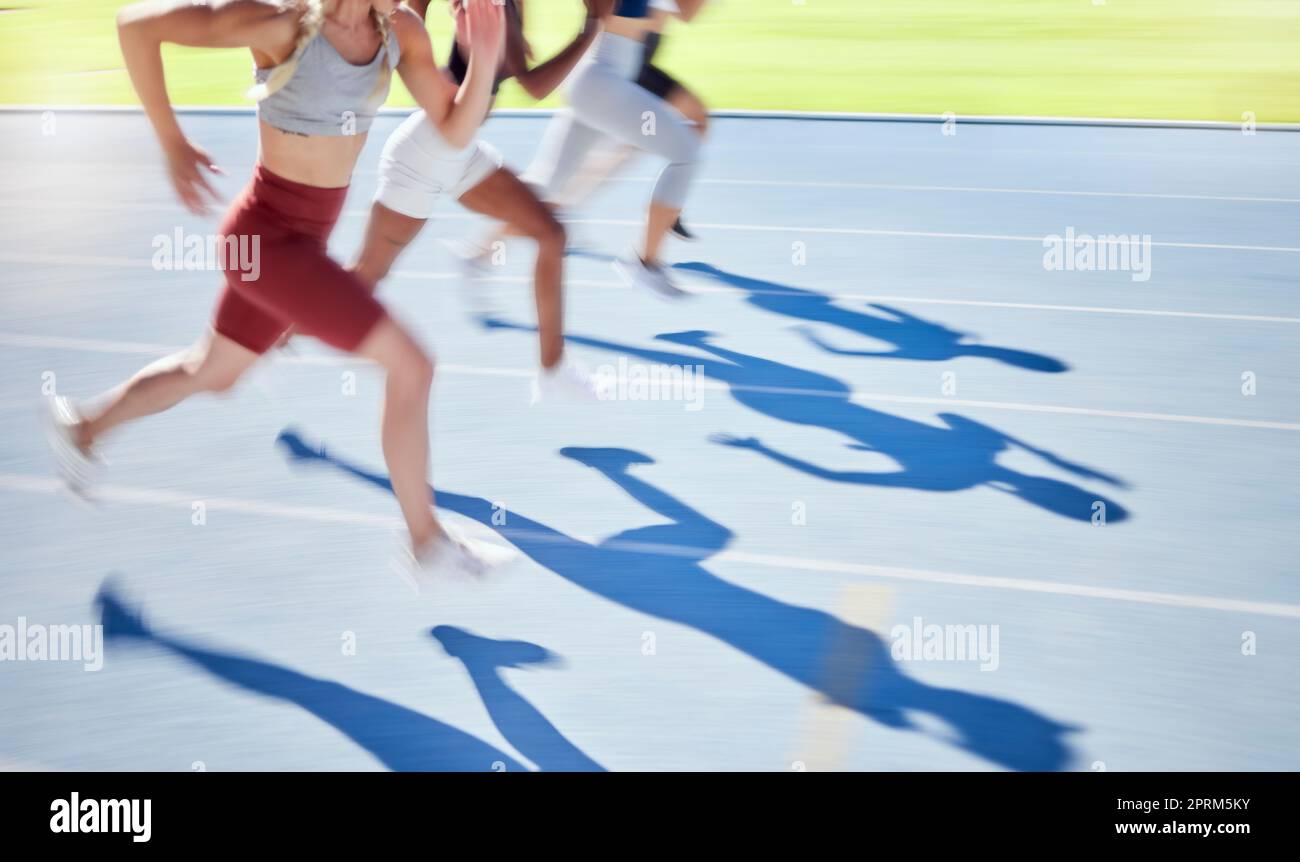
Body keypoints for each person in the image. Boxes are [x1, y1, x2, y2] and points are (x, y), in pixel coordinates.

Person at [43, 0, 512, 584]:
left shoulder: (399, 31)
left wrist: (486, 55)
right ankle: (426, 541)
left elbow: (453, 127)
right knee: (411, 366)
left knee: (210, 371)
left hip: (300, 248)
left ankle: (84, 426)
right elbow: (137, 26)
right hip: (263, 244)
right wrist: (171, 143)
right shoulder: (283, 25)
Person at [352, 0, 615, 402]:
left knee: (551, 234)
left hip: (459, 152)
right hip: (424, 155)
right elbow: (534, 85)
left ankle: (553, 367)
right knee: (364, 280)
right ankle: (270, 324)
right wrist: (593, 26)